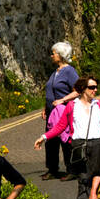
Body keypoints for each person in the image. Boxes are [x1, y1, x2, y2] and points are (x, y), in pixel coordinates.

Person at [38, 74, 100, 199]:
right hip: (79, 146)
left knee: (96, 180)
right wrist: (44, 137)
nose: (95, 90)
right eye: (92, 87)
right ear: (82, 89)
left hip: (99, 144)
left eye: (96, 87)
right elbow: (60, 126)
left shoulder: (99, 105)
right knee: (84, 179)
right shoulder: (72, 106)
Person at [41, 42, 80, 181]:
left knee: (66, 140)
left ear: (61, 55)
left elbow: (77, 90)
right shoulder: (55, 72)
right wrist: (46, 108)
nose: (51, 56)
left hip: (64, 112)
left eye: (54, 53)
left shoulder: (69, 71)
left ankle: (72, 170)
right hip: (52, 113)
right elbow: (51, 91)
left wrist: (63, 100)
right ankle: (52, 169)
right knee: (50, 141)